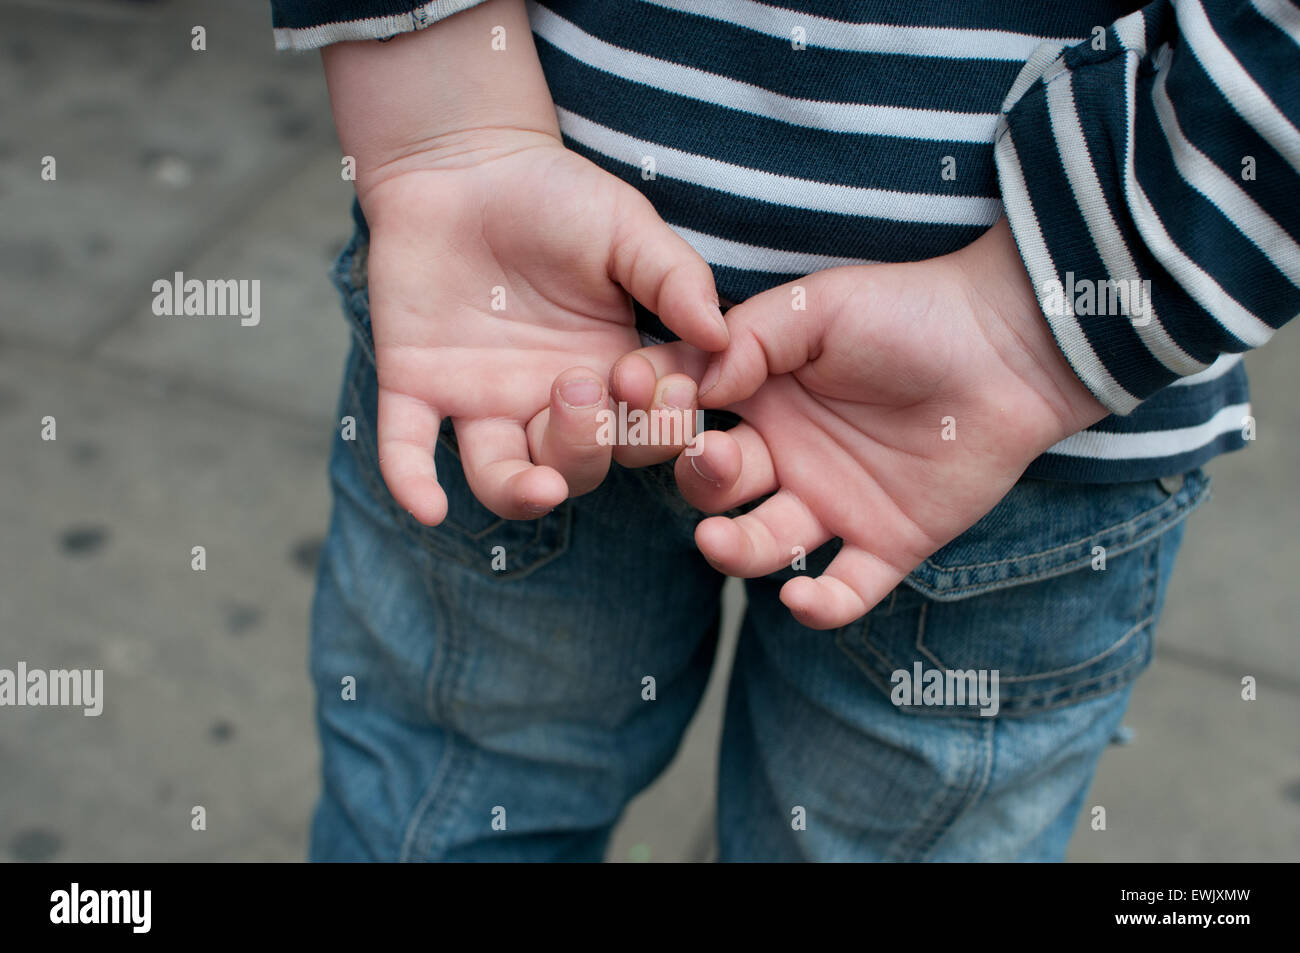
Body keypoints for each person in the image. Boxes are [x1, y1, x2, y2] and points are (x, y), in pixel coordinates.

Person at [271, 0, 1298, 860]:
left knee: (447, 800)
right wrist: (1064, 300)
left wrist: (435, 116)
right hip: (525, 325)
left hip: (529, 282)